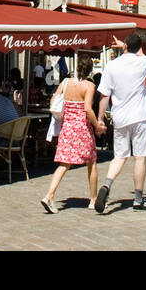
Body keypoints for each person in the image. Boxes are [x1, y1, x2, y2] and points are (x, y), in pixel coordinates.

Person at [94, 33, 146, 212]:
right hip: (140, 115)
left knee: (120, 156)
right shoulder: (144, 62)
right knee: (140, 157)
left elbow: (105, 95)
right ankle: (138, 199)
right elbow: (141, 52)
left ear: (126, 46)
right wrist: (125, 45)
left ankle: (106, 185)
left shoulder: (111, 66)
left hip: (120, 116)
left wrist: (99, 118)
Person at [41, 58, 105, 213]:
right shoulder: (89, 85)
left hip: (67, 127)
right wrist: (97, 126)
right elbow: (88, 109)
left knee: (64, 164)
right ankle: (93, 199)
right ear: (90, 71)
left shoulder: (65, 83)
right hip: (82, 128)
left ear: (76, 68)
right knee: (91, 162)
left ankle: (49, 195)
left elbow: (54, 99)